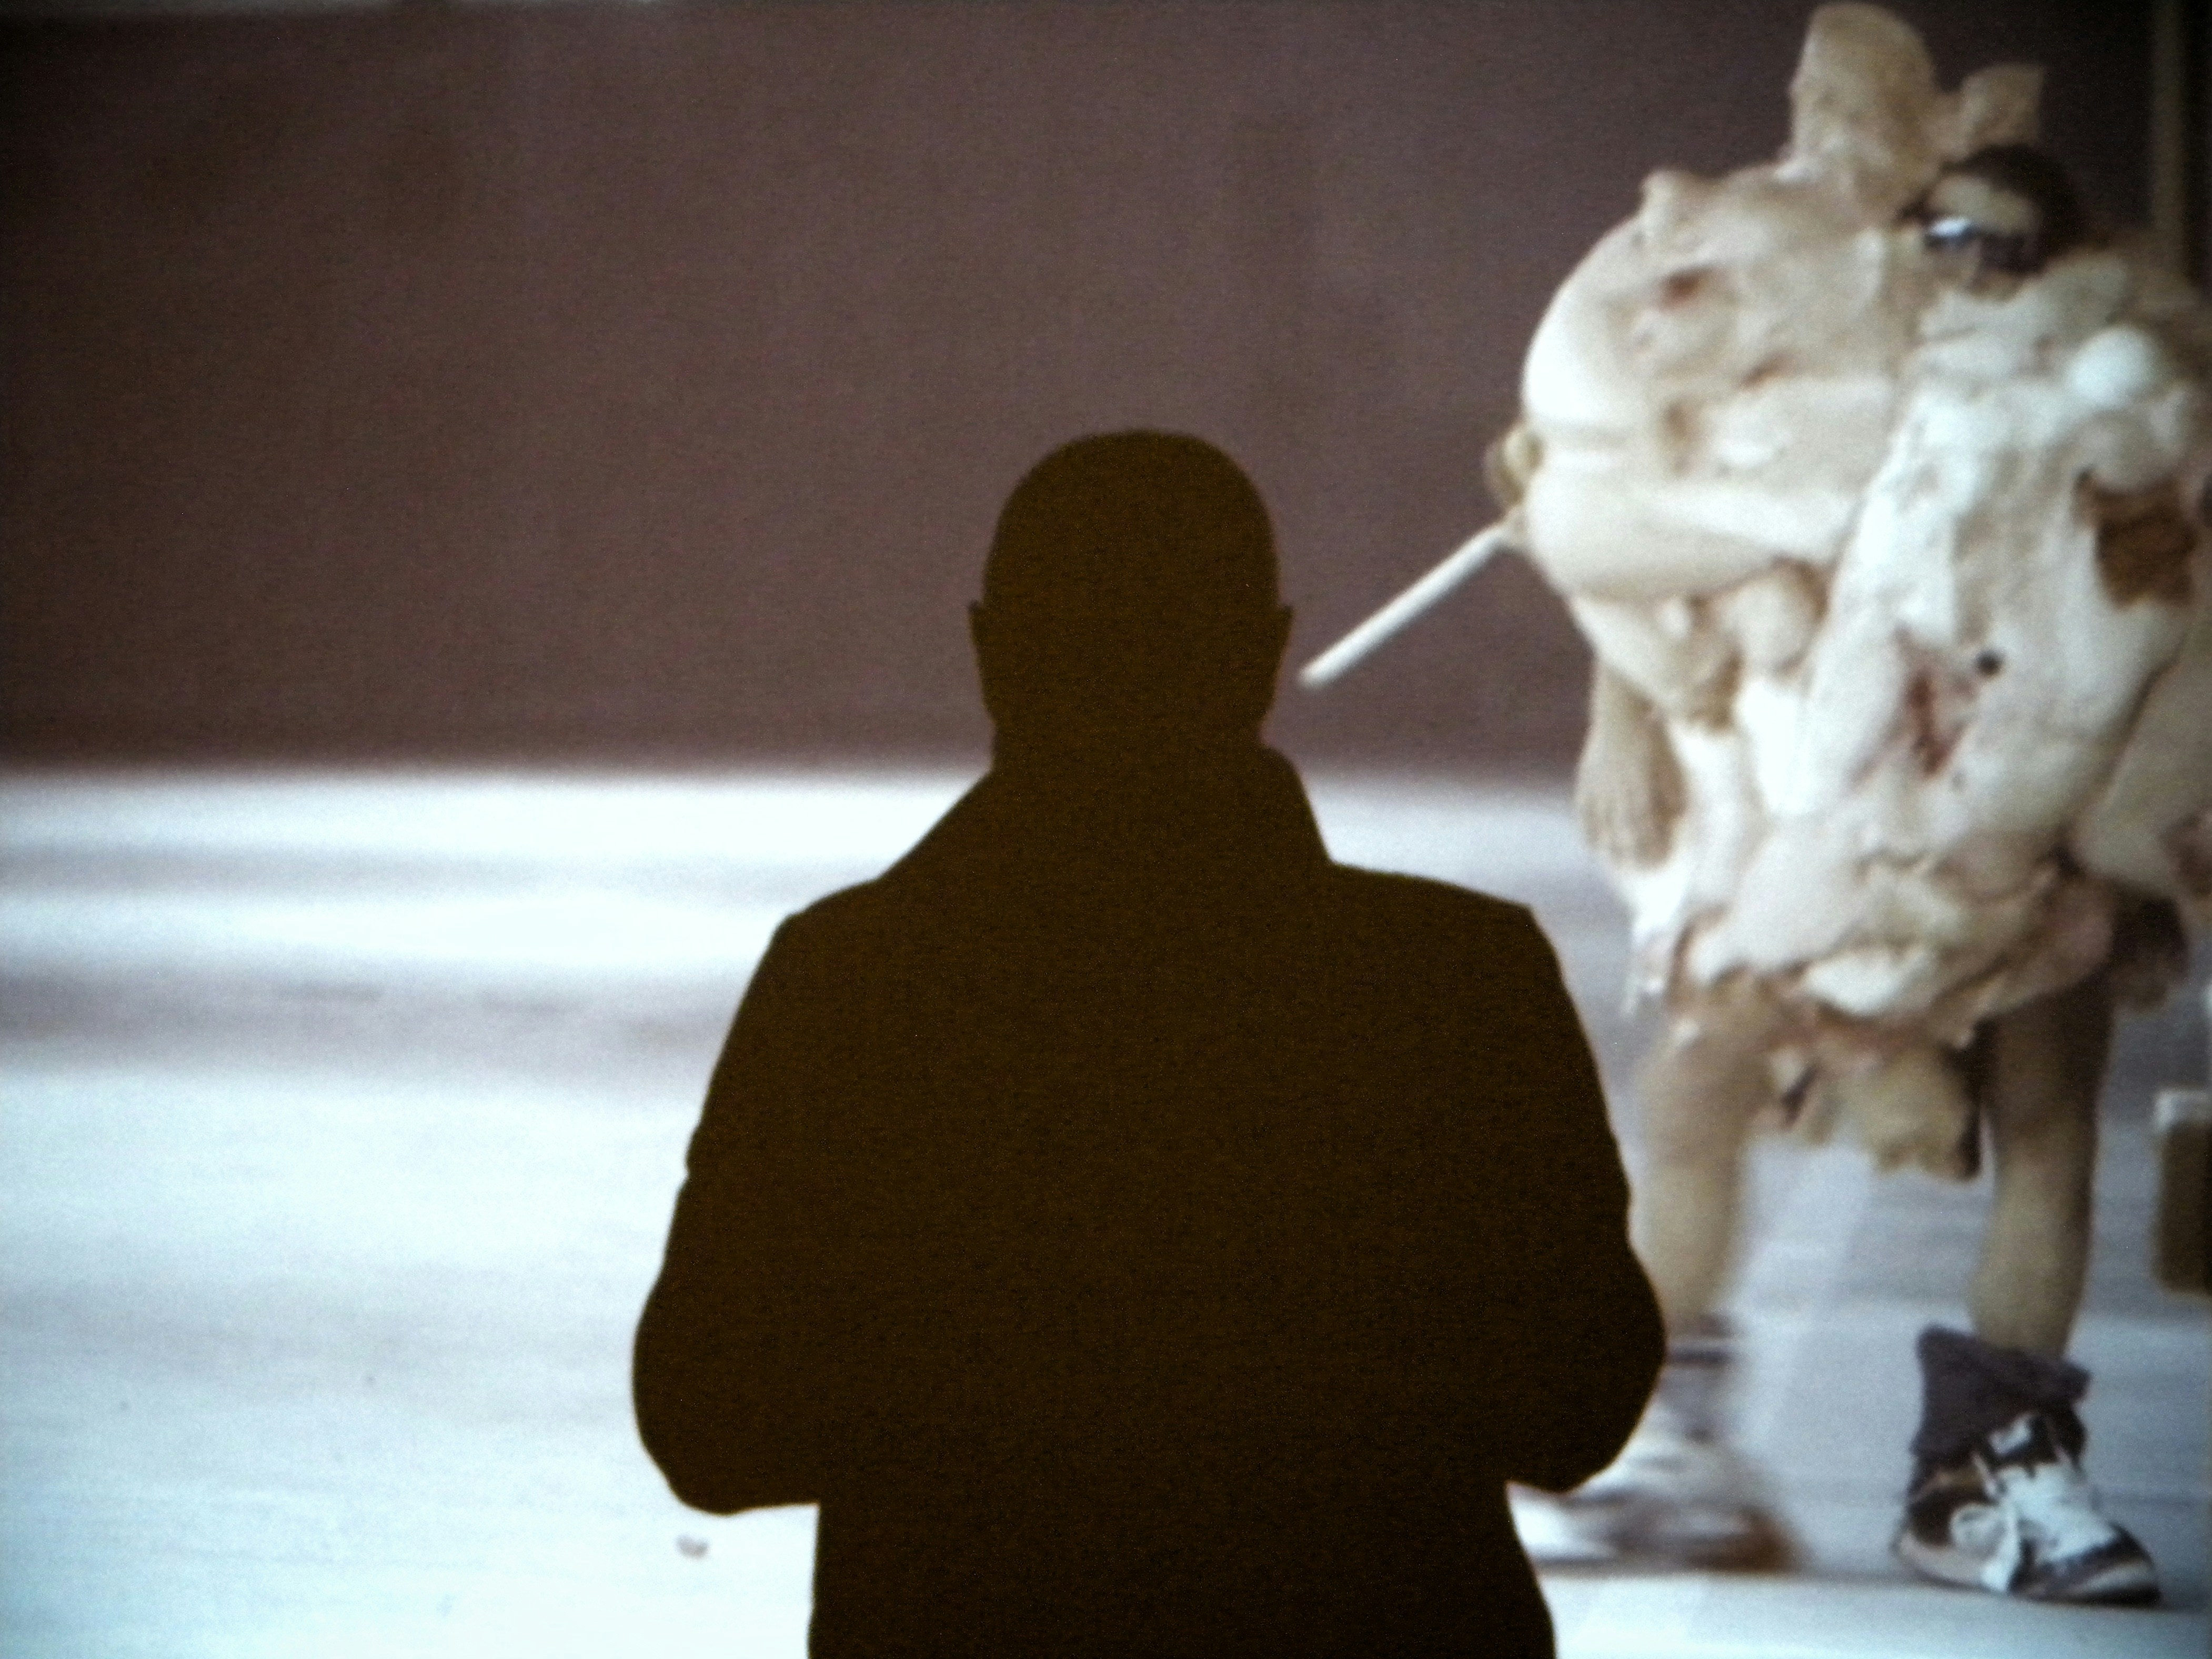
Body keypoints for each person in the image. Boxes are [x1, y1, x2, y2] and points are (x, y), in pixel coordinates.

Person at [633, 430, 1664, 1657]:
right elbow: (1574, 1405)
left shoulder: (849, 978)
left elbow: (709, 1426)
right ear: (1264, 654)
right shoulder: (1460, 979)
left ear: (991, 650)